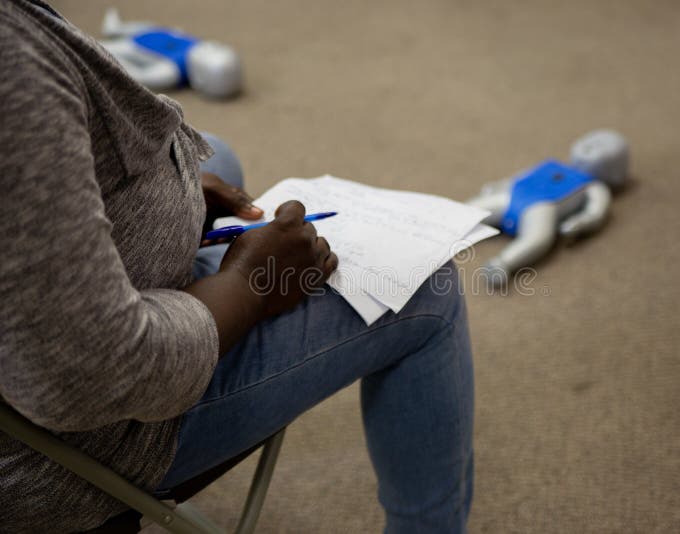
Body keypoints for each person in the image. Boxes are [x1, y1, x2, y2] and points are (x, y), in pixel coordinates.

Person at [0, 1, 474, 533]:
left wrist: (159, 192)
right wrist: (249, 286)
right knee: (425, 288)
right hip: (69, 447)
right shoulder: (12, 73)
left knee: (214, 156)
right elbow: (89, 377)